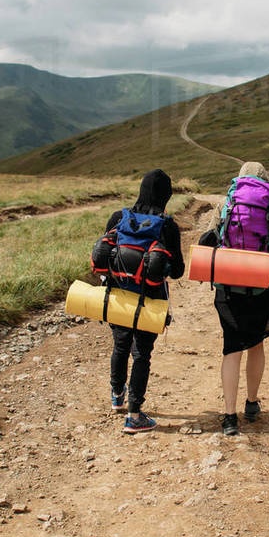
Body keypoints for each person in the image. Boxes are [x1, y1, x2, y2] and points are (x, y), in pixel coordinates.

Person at [205, 162, 269, 437]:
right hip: (263, 288)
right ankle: (252, 404)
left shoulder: (226, 205)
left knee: (231, 349)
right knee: (256, 345)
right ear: (266, 181)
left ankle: (230, 417)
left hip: (229, 289)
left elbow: (209, 243)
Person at [105, 169, 184, 433]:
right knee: (142, 354)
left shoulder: (119, 218)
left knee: (120, 346)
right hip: (150, 300)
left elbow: (105, 254)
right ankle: (134, 414)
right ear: (166, 196)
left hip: (118, 295)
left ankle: (117, 396)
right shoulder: (168, 225)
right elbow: (178, 270)